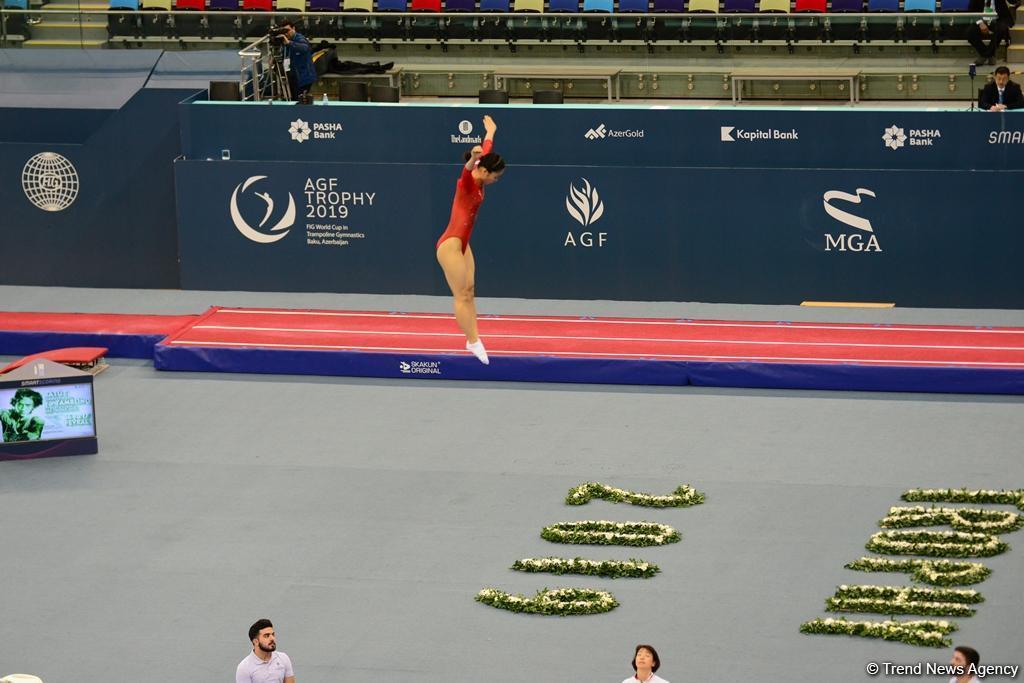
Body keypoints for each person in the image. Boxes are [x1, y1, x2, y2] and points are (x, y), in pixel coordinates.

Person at [435, 114, 506, 365]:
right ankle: (473, 341)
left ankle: (472, 337)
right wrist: (473, 158)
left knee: (470, 291)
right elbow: (468, 169)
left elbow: (487, 150)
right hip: (449, 244)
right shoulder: (467, 181)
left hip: (464, 244)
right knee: (462, 294)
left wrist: (490, 132)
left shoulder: (482, 166)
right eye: (495, 177)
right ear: (484, 171)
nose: (496, 181)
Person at [236, 619, 295, 683]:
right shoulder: (244, 668)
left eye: (273, 634)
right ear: (256, 642)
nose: (272, 638)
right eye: (266, 636)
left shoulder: (283, 658)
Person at [967, 0, 1017, 66]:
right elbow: (971, 10)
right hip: (981, 19)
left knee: (1001, 29)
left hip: (998, 19)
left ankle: (985, 55)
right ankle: (989, 55)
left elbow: (1013, 2)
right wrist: (980, 23)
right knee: (969, 32)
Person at [278, 20, 317, 101]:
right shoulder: (283, 41)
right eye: (284, 31)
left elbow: (305, 48)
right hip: (291, 76)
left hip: (303, 78)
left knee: (299, 101)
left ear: (294, 28)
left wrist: (289, 43)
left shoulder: (300, 38)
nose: (286, 33)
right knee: (291, 100)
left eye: (287, 30)